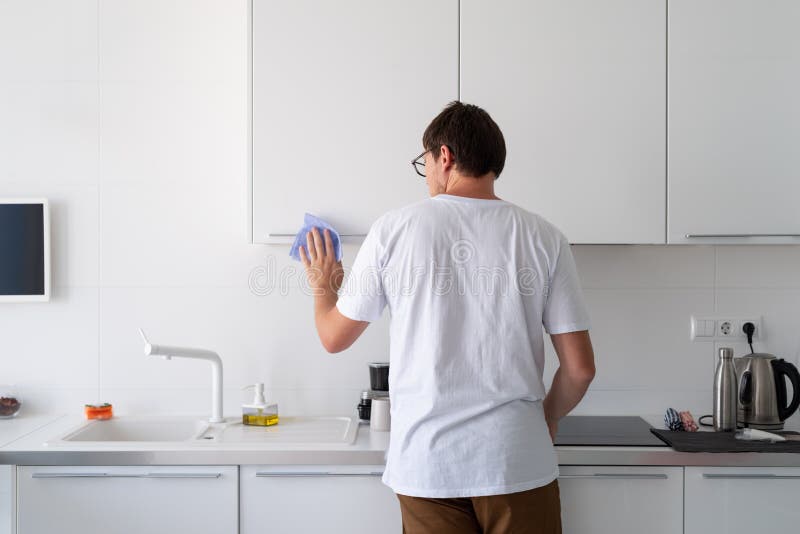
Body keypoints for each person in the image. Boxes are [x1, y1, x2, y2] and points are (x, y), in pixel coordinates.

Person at [299, 101, 596, 534]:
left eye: (426, 164)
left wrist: (323, 285)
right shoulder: (545, 238)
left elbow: (333, 337)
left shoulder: (393, 230)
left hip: (427, 466)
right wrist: (546, 416)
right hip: (517, 459)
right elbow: (581, 369)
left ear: (445, 156)